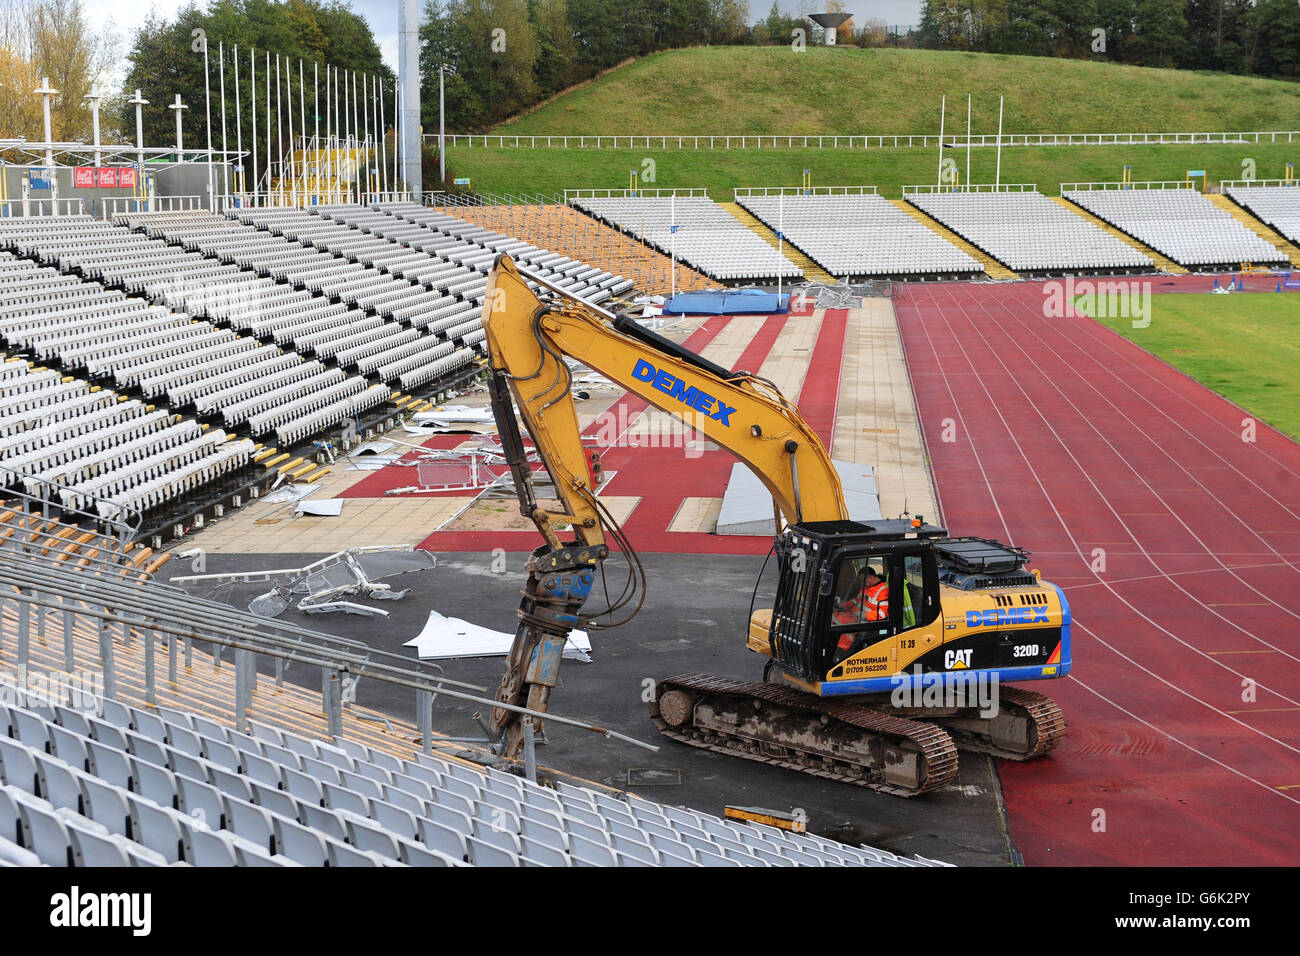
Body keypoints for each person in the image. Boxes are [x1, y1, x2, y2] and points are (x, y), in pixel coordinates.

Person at [833, 565, 889, 636]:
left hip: (867, 623)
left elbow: (883, 614)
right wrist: (843, 606)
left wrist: (864, 615)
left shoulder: (883, 590)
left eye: (863, 580)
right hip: (855, 616)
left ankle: (841, 647)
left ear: (871, 577)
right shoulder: (867, 587)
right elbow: (857, 600)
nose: (862, 583)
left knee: (843, 629)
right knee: (833, 617)